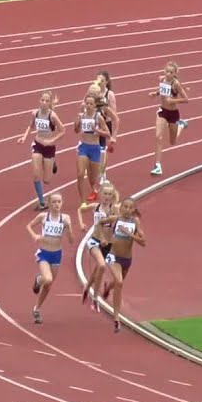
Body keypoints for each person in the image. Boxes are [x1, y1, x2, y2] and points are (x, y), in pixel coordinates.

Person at [98, 197, 146, 333]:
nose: (128, 210)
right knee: (119, 282)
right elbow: (100, 223)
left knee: (118, 281)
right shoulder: (115, 219)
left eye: (131, 208)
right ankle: (116, 318)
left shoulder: (135, 222)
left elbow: (144, 242)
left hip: (127, 259)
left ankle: (108, 287)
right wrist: (102, 238)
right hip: (113, 256)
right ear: (121, 208)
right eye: (125, 206)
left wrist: (130, 234)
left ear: (134, 210)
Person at [26, 192, 75, 324]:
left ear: (62, 203)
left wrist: (69, 228)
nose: (57, 204)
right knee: (48, 279)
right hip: (44, 253)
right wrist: (35, 235)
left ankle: (37, 309)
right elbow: (29, 226)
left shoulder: (65, 219)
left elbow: (71, 241)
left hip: (56, 254)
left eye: (59, 202)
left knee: (48, 285)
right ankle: (39, 279)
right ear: (49, 203)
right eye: (54, 202)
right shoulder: (43, 216)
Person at [17, 91, 65, 210]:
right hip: (38, 144)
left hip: (49, 148)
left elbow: (63, 130)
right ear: (39, 101)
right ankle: (42, 202)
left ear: (50, 103)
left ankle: (53, 162)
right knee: (36, 175)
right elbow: (31, 126)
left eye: (47, 101)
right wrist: (24, 136)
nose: (44, 103)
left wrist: (52, 140)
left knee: (47, 180)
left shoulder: (52, 116)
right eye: (42, 100)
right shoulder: (35, 113)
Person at [78, 183, 120, 307]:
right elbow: (80, 210)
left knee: (97, 270)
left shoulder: (114, 208)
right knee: (101, 266)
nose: (107, 196)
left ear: (112, 196)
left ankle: (87, 288)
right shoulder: (95, 206)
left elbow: (119, 219)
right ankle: (95, 298)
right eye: (105, 194)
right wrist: (81, 223)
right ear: (100, 194)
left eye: (109, 194)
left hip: (109, 244)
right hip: (94, 241)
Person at [148, 61, 189, 176]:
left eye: (171, 72)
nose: (168, 74)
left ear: (175, 73)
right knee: (158, 136)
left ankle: (180, 125)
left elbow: (186, 99)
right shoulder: (162, 80)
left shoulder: (176, 84)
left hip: (173, 114)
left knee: (172, 142)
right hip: (162, 111)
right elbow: (162, 90)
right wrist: (155, 94)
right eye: (167, 71)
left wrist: (173, 101)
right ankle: (157, 165)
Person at [73, 91, 111, 204]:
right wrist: (77, 123)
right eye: (87, 103)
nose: (88, 105)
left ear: (95, 105)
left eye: (90, 104)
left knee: (93, 178)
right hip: (83, 147)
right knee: (80, 174)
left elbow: (108, 134)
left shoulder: (98, 117)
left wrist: (97, 131)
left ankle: (94, 189)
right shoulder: (81, 116)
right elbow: (76, 131)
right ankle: (82, 201)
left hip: (95, 148)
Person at [93, 71, 119, 188]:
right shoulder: (93, 92)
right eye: (97, 80)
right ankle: (96, 170)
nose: (99, 83)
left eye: (102, 80)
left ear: (106, 82)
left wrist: (114, 136)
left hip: (105, 123)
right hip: (94, 123)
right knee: (95, 149)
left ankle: (103, 174)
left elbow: (114, 117)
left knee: (102, 150)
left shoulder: (109, 94)